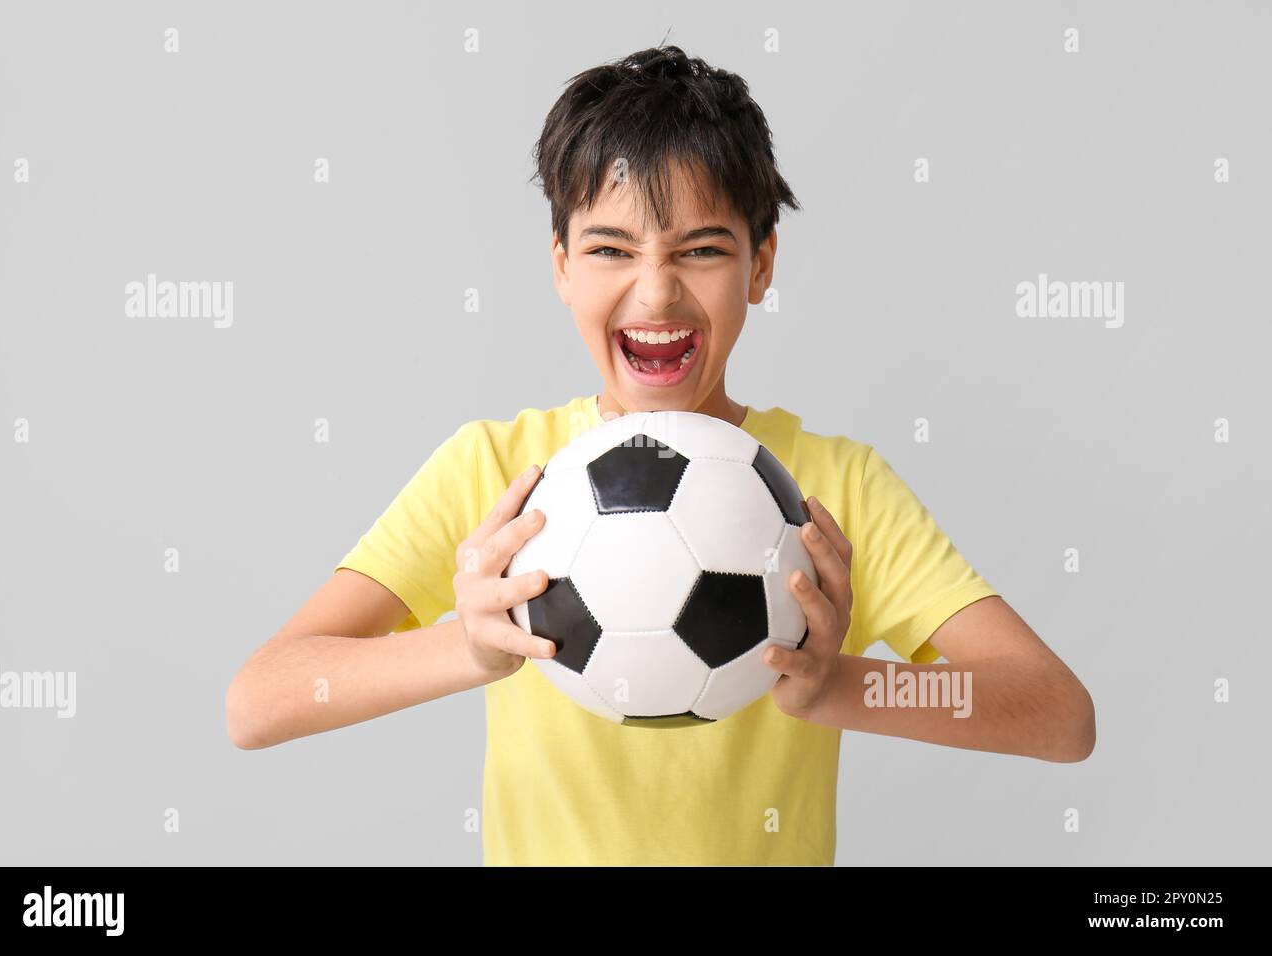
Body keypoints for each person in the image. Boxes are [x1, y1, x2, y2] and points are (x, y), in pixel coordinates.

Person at [225, 44, 1095, 866]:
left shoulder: (835, 487)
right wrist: (471, 649)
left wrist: (841, 688)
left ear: (760, 265)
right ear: (561, 266)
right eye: (610, 249)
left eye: (702, 250)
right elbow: (258, 701)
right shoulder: (495, 472)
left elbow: (1059, 715)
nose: (656, 291)